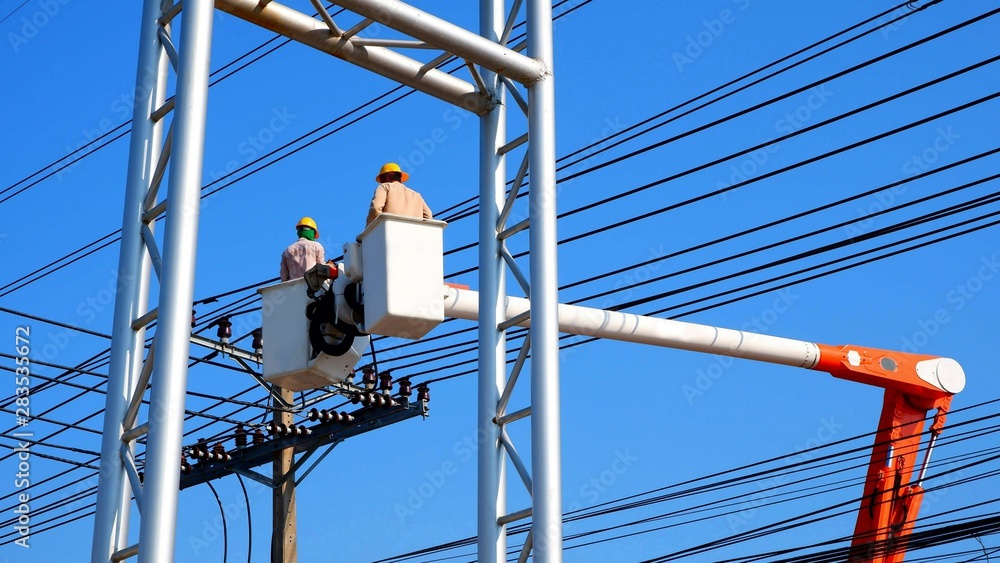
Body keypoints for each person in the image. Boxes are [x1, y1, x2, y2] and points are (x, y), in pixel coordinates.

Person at [366, 162, 433, 225]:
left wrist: (370, 228)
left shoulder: (385, 187)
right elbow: (428, 216)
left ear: (387, 176)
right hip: (413, 233)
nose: (381, 182)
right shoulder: (416, 195)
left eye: (381, 179)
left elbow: (375, 208)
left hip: (391, 229)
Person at [280, 217, 326, 281]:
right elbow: (321, 270)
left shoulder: (287, 251)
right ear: (312, 232)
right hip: (312, 285)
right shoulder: (316, 246)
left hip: (293, 288)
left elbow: (284, 277)